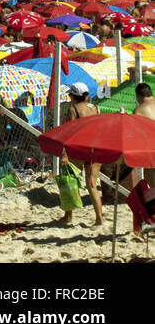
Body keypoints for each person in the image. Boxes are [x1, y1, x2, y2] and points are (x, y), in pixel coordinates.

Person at [62, 83, 104, 226]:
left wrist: (65, 154)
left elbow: (70, 132)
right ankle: (99, 218)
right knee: (92, 185)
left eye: (70, 95)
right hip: (95, 149)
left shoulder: (73, 109)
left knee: (71, 181)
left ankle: (68, 216)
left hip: (79, 149)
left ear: (74, 96)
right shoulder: (95, 108)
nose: (69, 97)